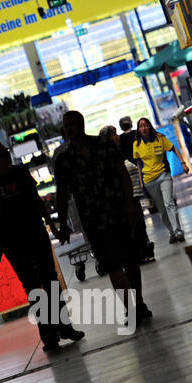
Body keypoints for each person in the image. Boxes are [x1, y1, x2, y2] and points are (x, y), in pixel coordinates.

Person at [0, 141, 84, 352]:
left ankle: (64, 326)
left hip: (35, 231)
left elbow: (37, 200)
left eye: (6, 152)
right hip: (12, 239)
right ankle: (48, 334)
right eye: (2, 154)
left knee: (50, 280)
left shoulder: (20, 172)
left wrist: (51, 226)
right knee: (32, 286)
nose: (7, 156)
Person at [53, 111, 151, 325]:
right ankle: (131, 309)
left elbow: (122, 173)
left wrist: (129, 202)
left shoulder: (104, 144)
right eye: (65, 126)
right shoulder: (64, 160)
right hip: (92, 218)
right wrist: (62, 225)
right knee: (112, 265)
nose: (68, 130)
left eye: (71, 125)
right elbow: (62, 193)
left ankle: (140, 302)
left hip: (118, 209)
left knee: (129, 258)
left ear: (81, 125)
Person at [100, 126, 155, 264]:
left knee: (139, 225)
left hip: (133, 195)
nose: (117, 136)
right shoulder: (108, 156)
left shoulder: (117, 152)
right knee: (135, 226)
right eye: (114, 134)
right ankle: (139, 254)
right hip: (126, 197)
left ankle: (143, 252)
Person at [132, 118, 191, 244]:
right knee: (162, 209)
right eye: (141, 126)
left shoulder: (160, 138)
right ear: (138, 129)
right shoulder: (136, 144)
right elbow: (138, 163)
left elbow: (173, 148)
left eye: (146, 125)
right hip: (149, 180)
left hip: (163, 175)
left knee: (169, 203)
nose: (143, 128)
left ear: (150, 127)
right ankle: (171, 232)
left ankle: (178, 230)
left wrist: (183, 163)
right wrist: (141, 181)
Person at [119, 116, 157, 214]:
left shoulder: (120, 138)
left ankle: (147, 207)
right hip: (142, 162)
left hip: (130, 167)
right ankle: (156, 205)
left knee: (139, 188)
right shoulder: (137, 133)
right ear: (131, 123)